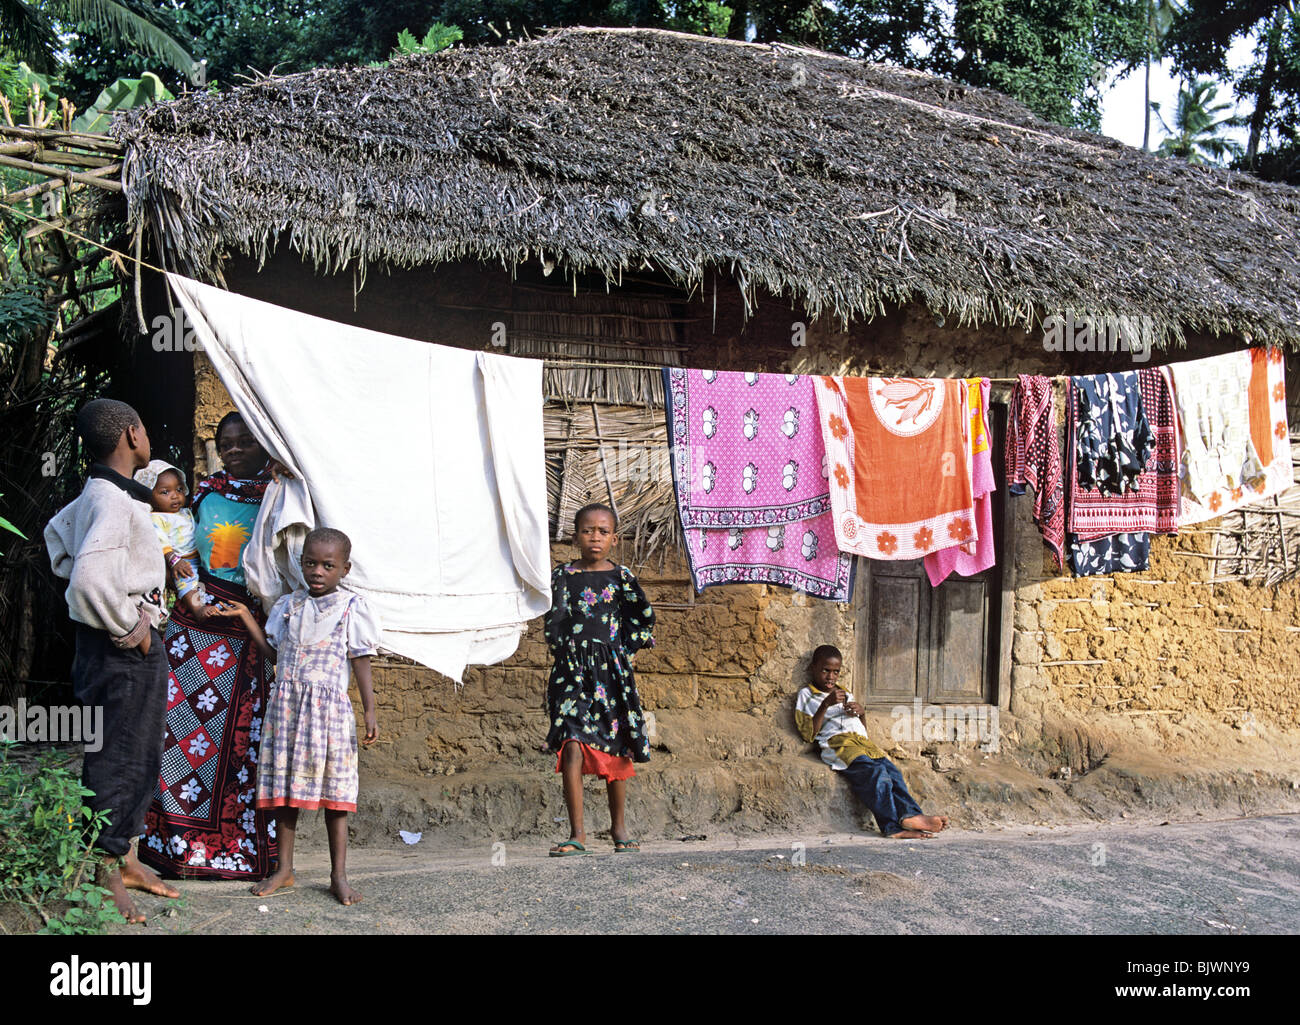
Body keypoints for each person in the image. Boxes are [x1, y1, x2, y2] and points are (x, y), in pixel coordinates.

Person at [44, 398, 181, 923]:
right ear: (131, 434)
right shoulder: (113, 502)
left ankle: (125, 857)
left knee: (139, 748)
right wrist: (131, 627)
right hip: (120, 649)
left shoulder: (106, 493)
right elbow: (87, 580)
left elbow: (58, 539)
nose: (148, 438)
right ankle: (103, 871)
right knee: (120, 757)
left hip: (109, 646)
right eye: (143, 429)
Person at [140, 411, 281, 879]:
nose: (235, 449)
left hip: (242, 631)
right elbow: (180, 552)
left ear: (264, 447)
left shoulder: (279, 496)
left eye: (245, 442)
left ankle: (230, 848)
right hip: (191, 628)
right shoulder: (202, 495)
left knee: (238, 744)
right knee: (176, 735)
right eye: (227, 443)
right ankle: (174, 847)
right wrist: (191, 597)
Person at [214, 527, 379, 905]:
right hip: (286, 710)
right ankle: (284, 869)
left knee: (335, 797)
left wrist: (370, 709)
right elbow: (275, 655)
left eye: (327, 565)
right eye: (310, 563)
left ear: (344, 569)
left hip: (329, 714)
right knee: (285, 792)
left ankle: (338, 875)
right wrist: (245, 617)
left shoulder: (353, 608)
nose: (317, 571)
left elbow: (361, 659)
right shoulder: (290, 605)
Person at [544, 503, 655, 856]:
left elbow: (643, 618)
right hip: (571, 672)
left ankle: (618, 828)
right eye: (588, 530)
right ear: (575, 535)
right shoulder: (562, 575)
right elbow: (552, 619)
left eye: (603, 531)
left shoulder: (621, 577)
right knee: (572, 742)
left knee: (617, 746)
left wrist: (623, 653)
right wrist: (566, 651)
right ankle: (577, 834)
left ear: (614, 539)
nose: (595, 537)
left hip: (611, 674)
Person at [795, 645, 949, 839]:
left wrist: (861, 713)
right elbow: (808, 733)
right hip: (839, 744)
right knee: (876, 774)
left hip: (863, 744)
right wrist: (826, 704)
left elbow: (863, 731)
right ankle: (892, 827)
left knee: (893, 773)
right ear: (813, 668)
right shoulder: (806, 695)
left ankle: (910, 815)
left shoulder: (845, 693)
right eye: (825, 670)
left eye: (836, 672)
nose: (830, 677)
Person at [134, 459, 208, 615]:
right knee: (186, 583)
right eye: (165, 492)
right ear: (148, 495)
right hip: (180, 561)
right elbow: (161, 542)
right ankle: (198, 610)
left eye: (179, 489)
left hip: (199, 557)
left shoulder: (185, 512)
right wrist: (174, 561)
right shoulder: (156, 518)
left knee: (202, 583)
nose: (175, 496)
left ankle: (204, 603)